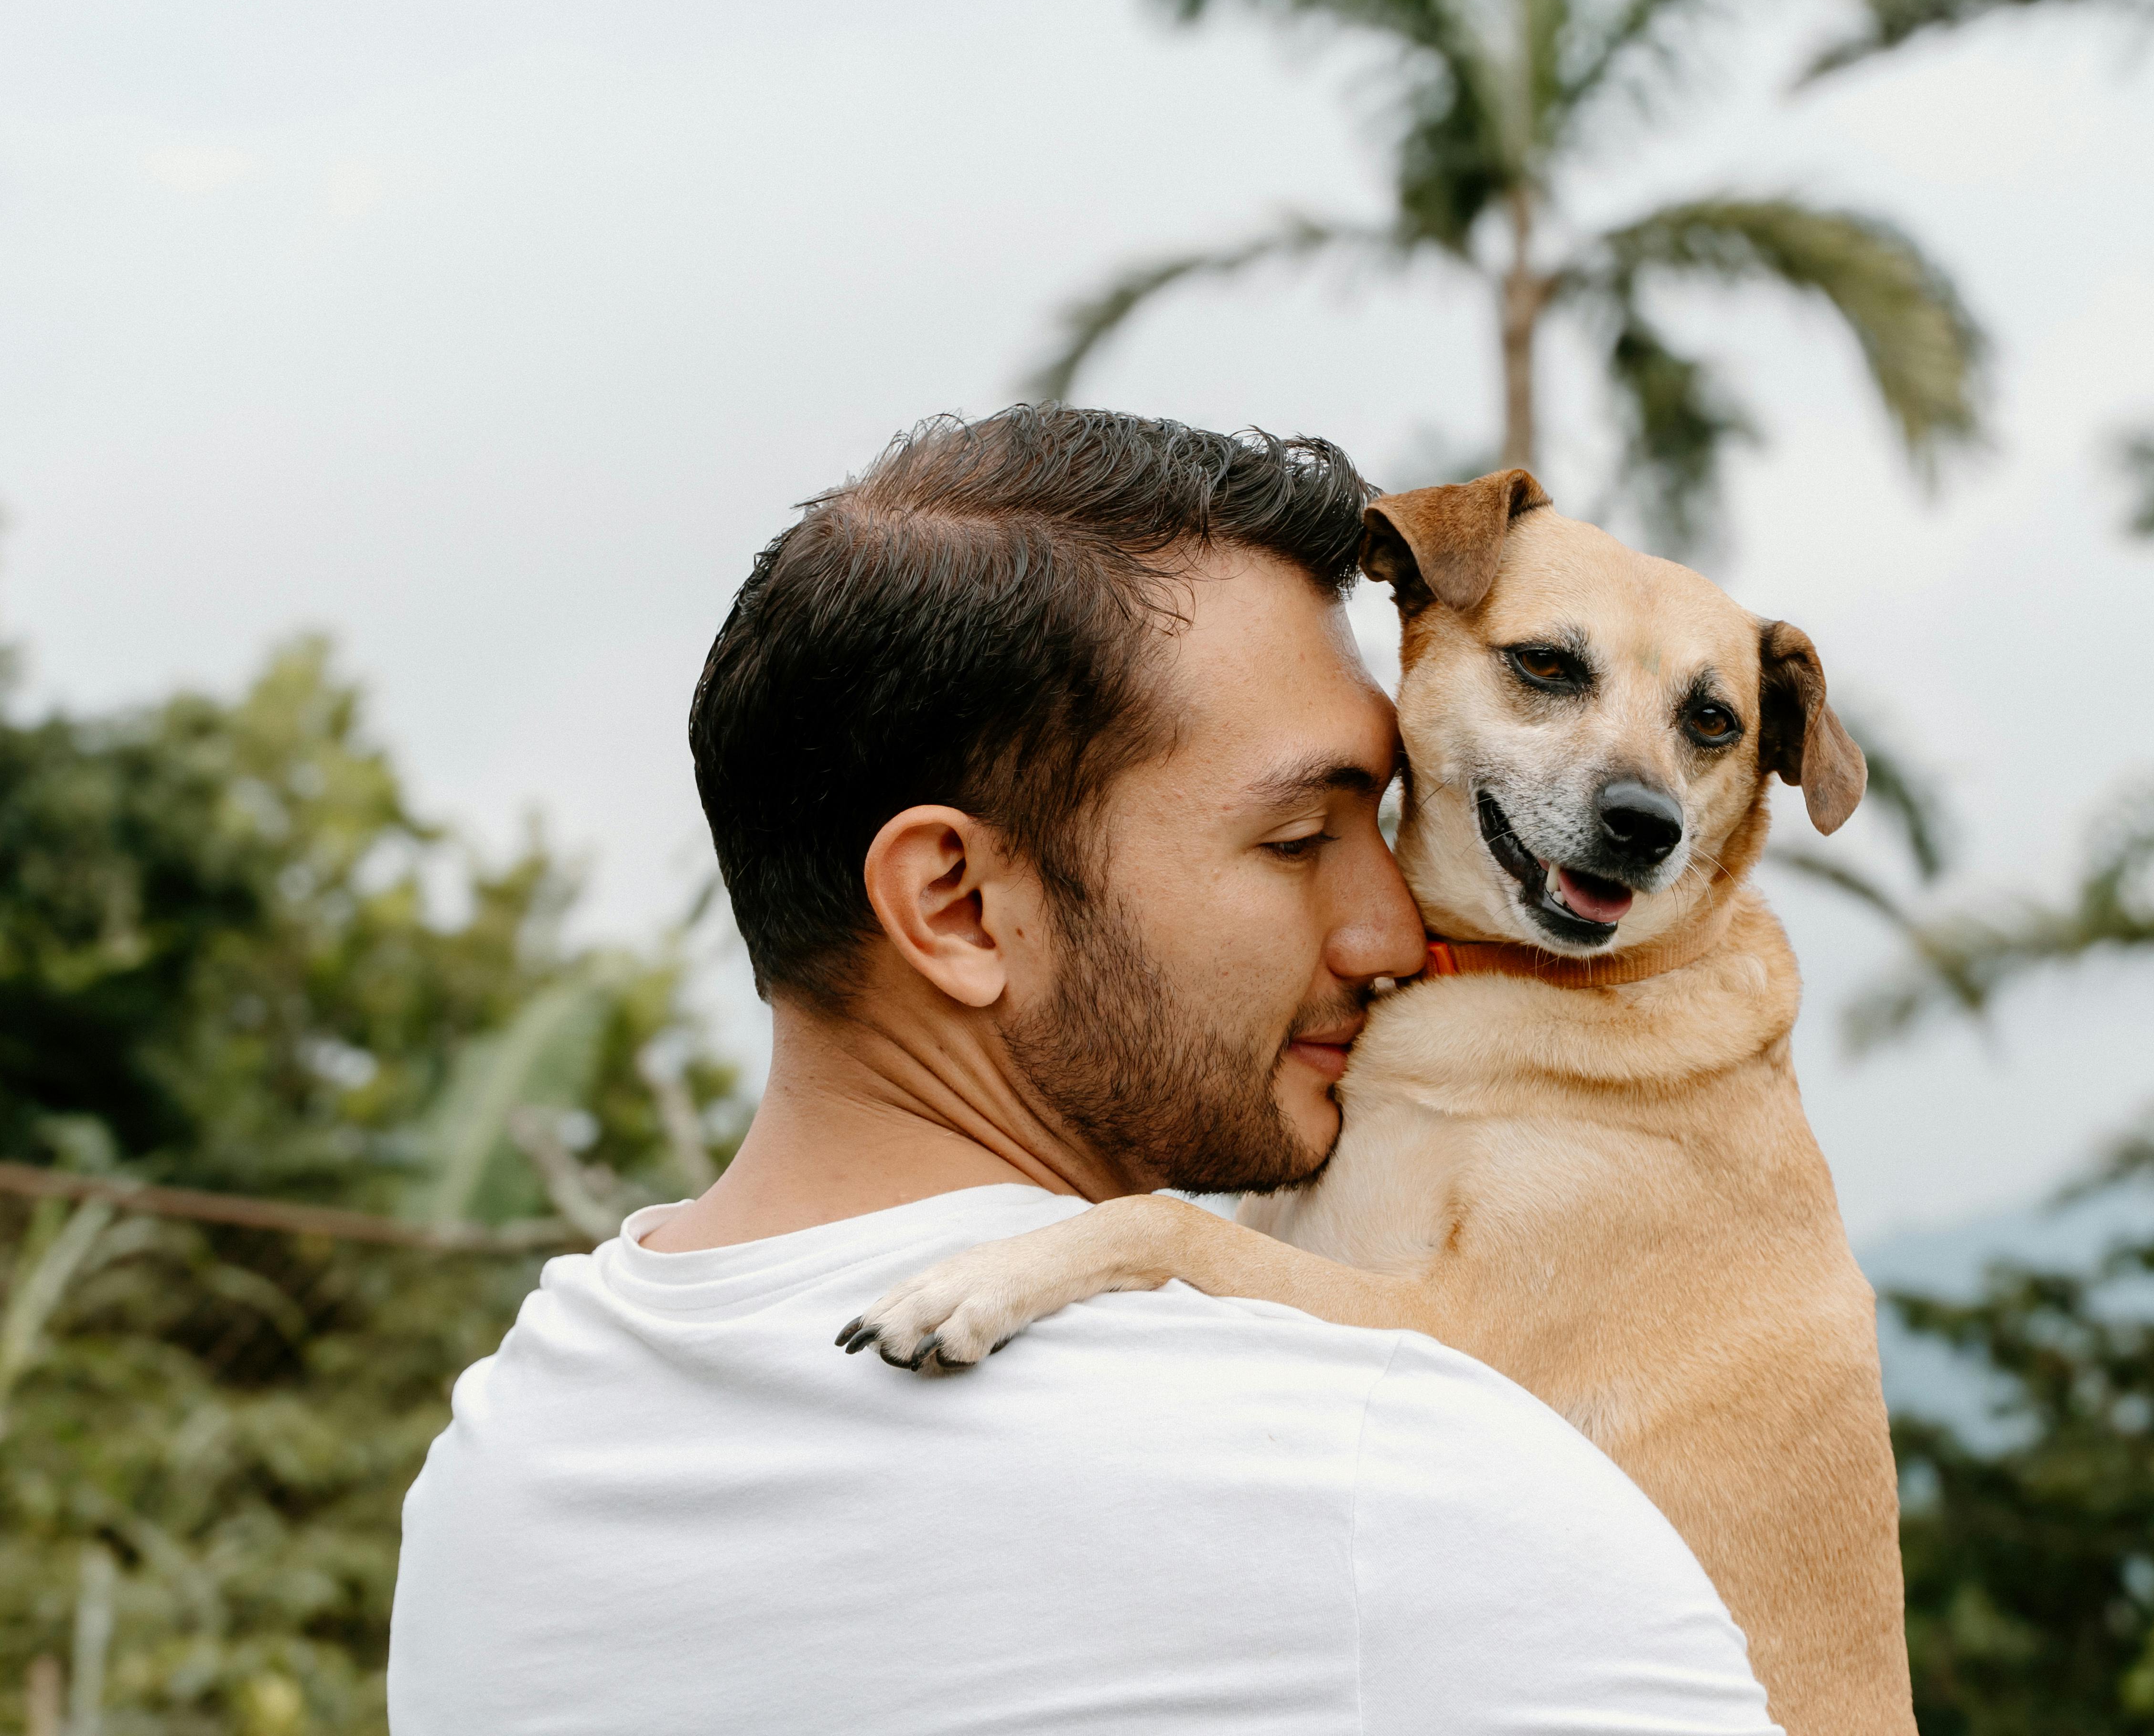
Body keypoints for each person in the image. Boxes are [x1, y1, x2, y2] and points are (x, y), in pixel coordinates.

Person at [388, 406, 1781, 1734]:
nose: (1394, 929)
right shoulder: (1392, 1472)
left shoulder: (504, 1457)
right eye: (1299, 842)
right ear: (957, 904)